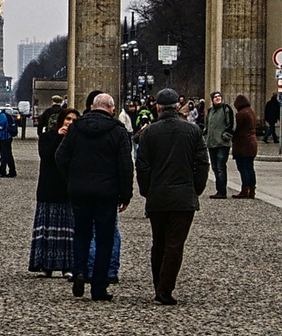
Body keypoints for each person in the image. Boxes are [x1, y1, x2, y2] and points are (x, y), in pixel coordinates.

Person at [55, 91, 133, 301]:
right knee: (105, 238)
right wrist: (126, 194)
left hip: (80, 189)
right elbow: (126, 165)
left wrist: (71, 179)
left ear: (91, 107)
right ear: (112, 109)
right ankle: (99, 286)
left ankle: (79, 271)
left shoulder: (76, 128)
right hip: (107, 192)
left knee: (81, 233)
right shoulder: (118, 130)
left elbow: (60, 156)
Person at [134, 88, 207, 305]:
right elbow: (202, 163)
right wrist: (197, 189)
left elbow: (142, 166)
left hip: (158, 196)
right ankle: (165, 289)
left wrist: (146, 190)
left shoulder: (149, 133)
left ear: (157, 108)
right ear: (177, 107)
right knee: (175, 245)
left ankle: (159, 284)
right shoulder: (192, 131)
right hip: (184, 196)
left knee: (159, 243)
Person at [29, 105, 77, 278]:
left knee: (68, 230)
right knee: (48, 229)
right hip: (49, 188)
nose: (71, 123)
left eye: (74, 120)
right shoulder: (47, 137)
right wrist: (59, 137)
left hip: (68, 189)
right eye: (68, 119)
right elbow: (48, 156)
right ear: (61, 121)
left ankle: (67, 266)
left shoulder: (78, 140)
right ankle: (45, 264)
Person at [203, 91, 233, 200]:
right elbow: (206, 126)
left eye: (219, 96)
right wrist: (205, 137)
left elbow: (232, 124)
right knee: (215, 167)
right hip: (212, 143)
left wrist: (226, 136)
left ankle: (222, 191)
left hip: (222, 143)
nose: (217, 98)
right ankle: (218, 189)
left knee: (220, 167)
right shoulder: (210, 111)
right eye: (215, 97)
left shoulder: (226, 109)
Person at [230, 94, 258, 199]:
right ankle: (252, 190)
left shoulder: (241, 114)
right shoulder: (252, 112)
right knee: (250, 167)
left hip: (242, 144)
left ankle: (245, 190)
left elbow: (236, 128)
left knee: (243, 167)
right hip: (252, 143)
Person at [0, 103, 18, 177]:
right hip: (3, 137)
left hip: (5, 137)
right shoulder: (1, 116)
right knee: (5, 155)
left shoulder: (2, 116)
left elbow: (0, 126)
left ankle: (9, 171)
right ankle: (5, 171)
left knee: (6, 155)